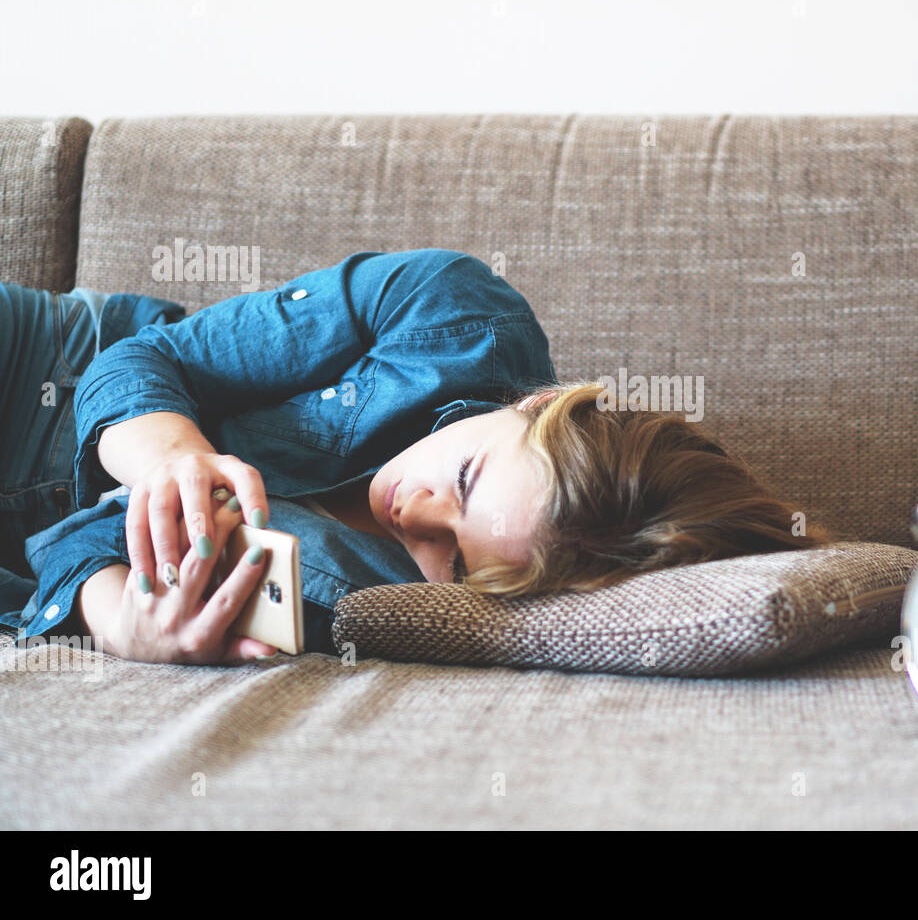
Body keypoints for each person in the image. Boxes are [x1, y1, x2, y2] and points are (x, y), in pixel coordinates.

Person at [0, 249, 824, 665]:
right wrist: (171, 461)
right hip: (43, 372)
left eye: (455, 558)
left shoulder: (378, 598)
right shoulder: (453, 312)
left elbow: (82, 547)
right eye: (465, 478)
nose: (414, 511)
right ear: (536, 404)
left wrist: (130, 628)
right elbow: (145, 360)